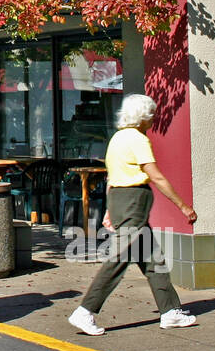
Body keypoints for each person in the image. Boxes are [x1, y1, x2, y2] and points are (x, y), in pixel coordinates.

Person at [68, 93, 199, 336]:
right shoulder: (138, 139)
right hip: (133, 200)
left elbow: (111, 176)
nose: (154, 118)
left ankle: (170, 312)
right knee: (120, 257)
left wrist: (109, 208)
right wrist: (183, 206)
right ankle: (85, 310)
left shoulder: (117, 139)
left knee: (153, 259)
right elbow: (156, 176)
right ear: (143, 116)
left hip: (120, 199)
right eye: (151, 114)